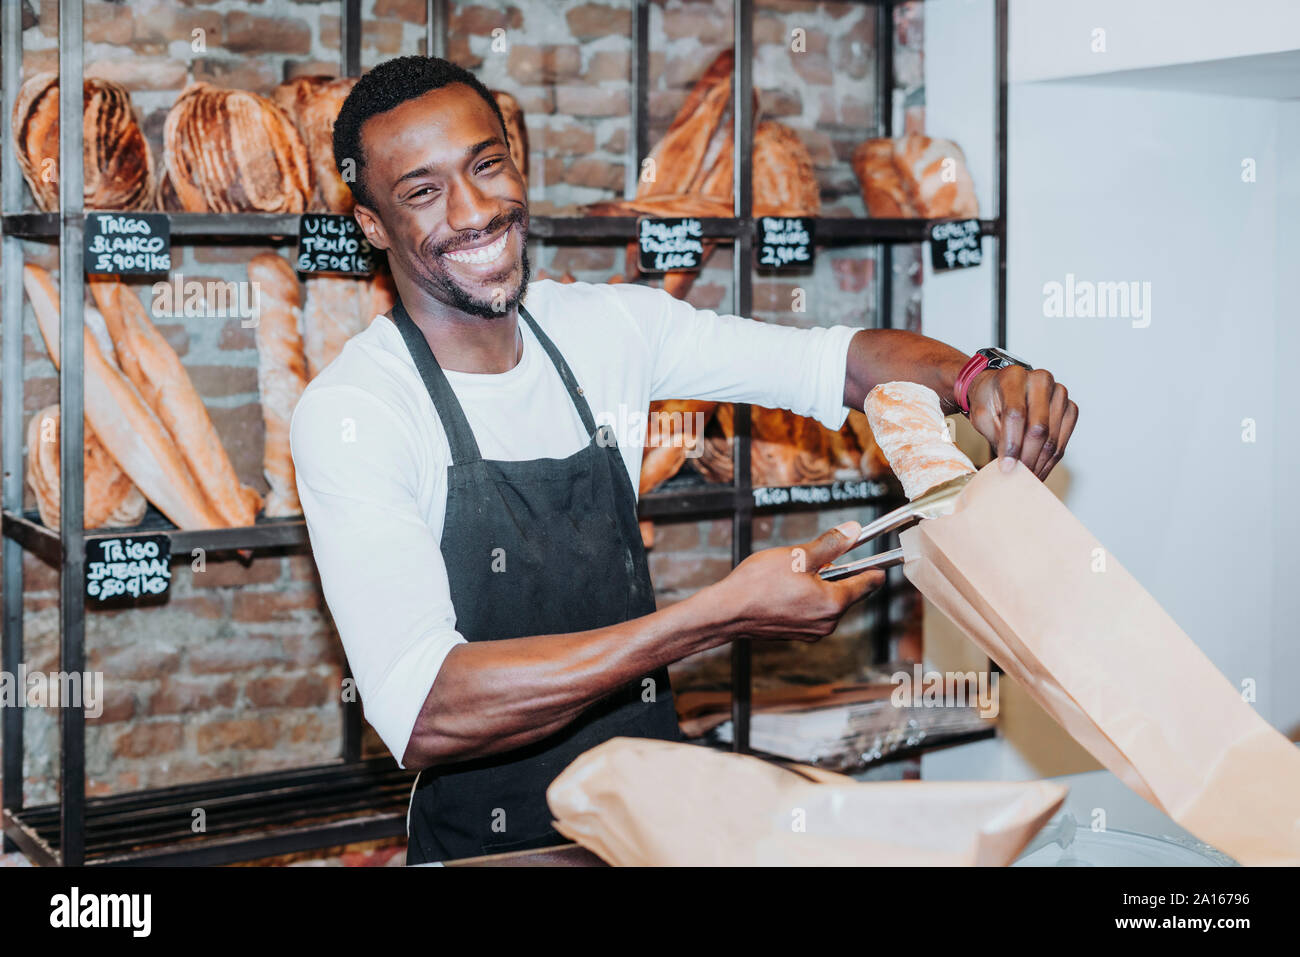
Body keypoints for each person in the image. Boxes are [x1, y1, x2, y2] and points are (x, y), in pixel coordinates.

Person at [289, 56, 1078, 864]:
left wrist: (979, 374)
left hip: (649, 836)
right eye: (423, 190)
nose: (475, 209)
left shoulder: (608, 329)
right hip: (488, 853)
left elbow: (840, 363)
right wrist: (714, 617)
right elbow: (428, 709)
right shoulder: (357, 412)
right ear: (374, 225)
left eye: (486, 164)